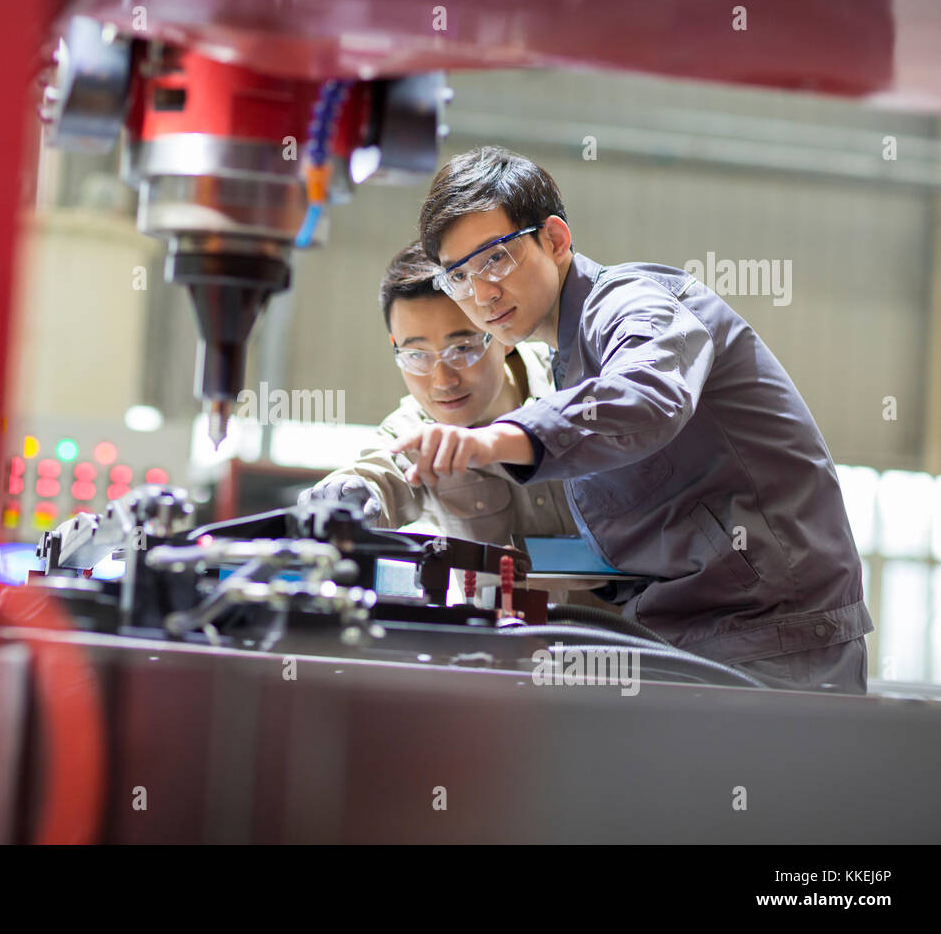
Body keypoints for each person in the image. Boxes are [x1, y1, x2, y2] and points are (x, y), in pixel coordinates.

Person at [390, 146, 872, 694]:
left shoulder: (632, 303)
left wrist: (499, 438)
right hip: (695, 631)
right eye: (459, 276)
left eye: (495, 258)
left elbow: (647, 394)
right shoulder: (570, 356)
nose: (481, 294)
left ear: (554, 238)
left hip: (773, 632)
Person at [300, 242, 617, 609]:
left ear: (501, 331)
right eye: (416, 355)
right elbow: (380, 473)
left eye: (463, 348)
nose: (442, 381)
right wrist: (350, 493)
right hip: (508, 653)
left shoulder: (576, 387)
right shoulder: (412, 433)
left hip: (636, 643)